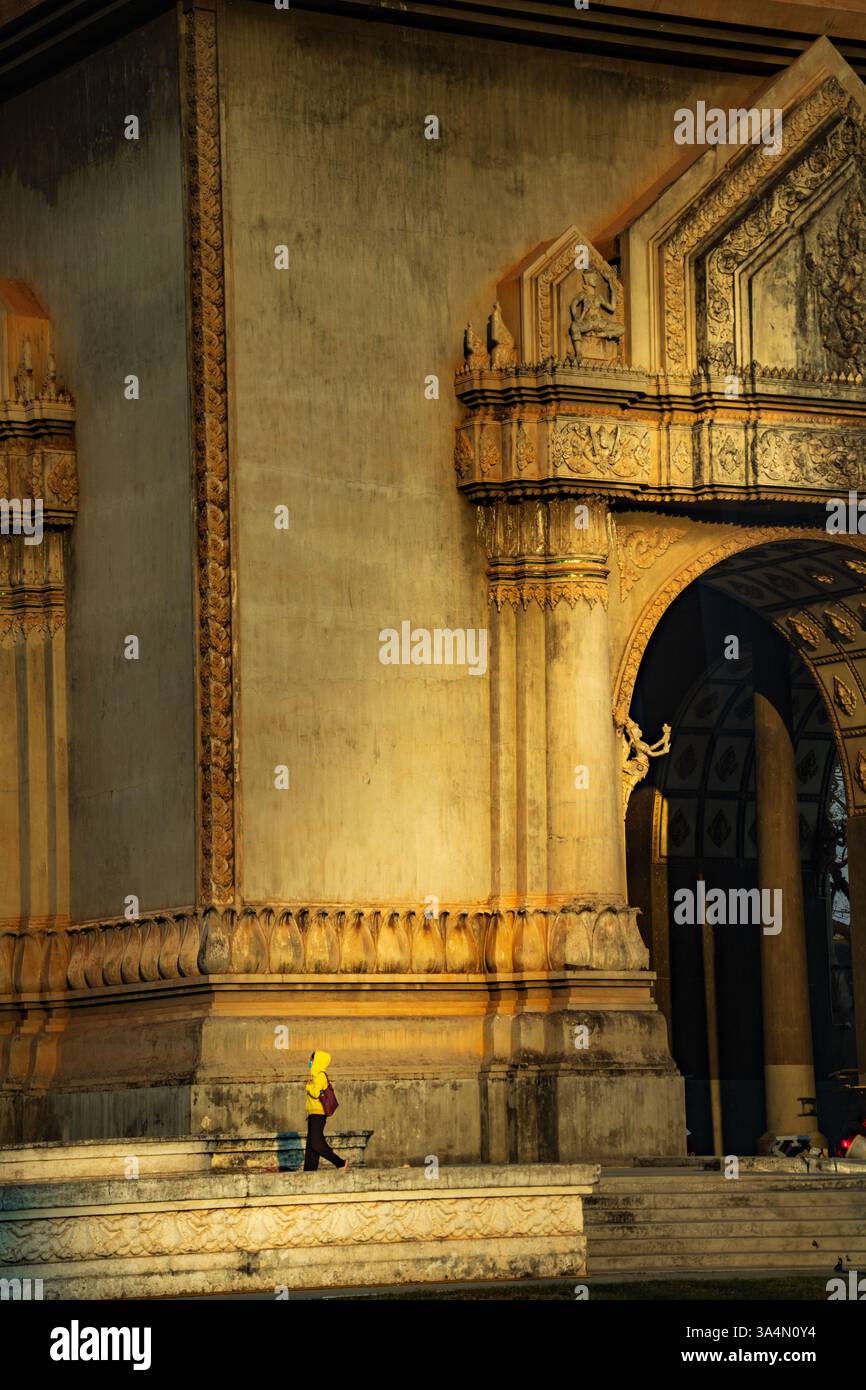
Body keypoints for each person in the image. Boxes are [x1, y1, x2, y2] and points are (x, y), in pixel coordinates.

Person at [304, 1048, 349, 1171]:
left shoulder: (320, 1075)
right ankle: (309, 1172)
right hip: (313, 1113)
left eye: (312, 1059)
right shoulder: (315, 1076)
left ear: (317, 1061)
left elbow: (316, 1093)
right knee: (311, 1145)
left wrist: (308, 1086)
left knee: (316, 1143)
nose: (310, 1062)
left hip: (318, 1114)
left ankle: (340, 1163)